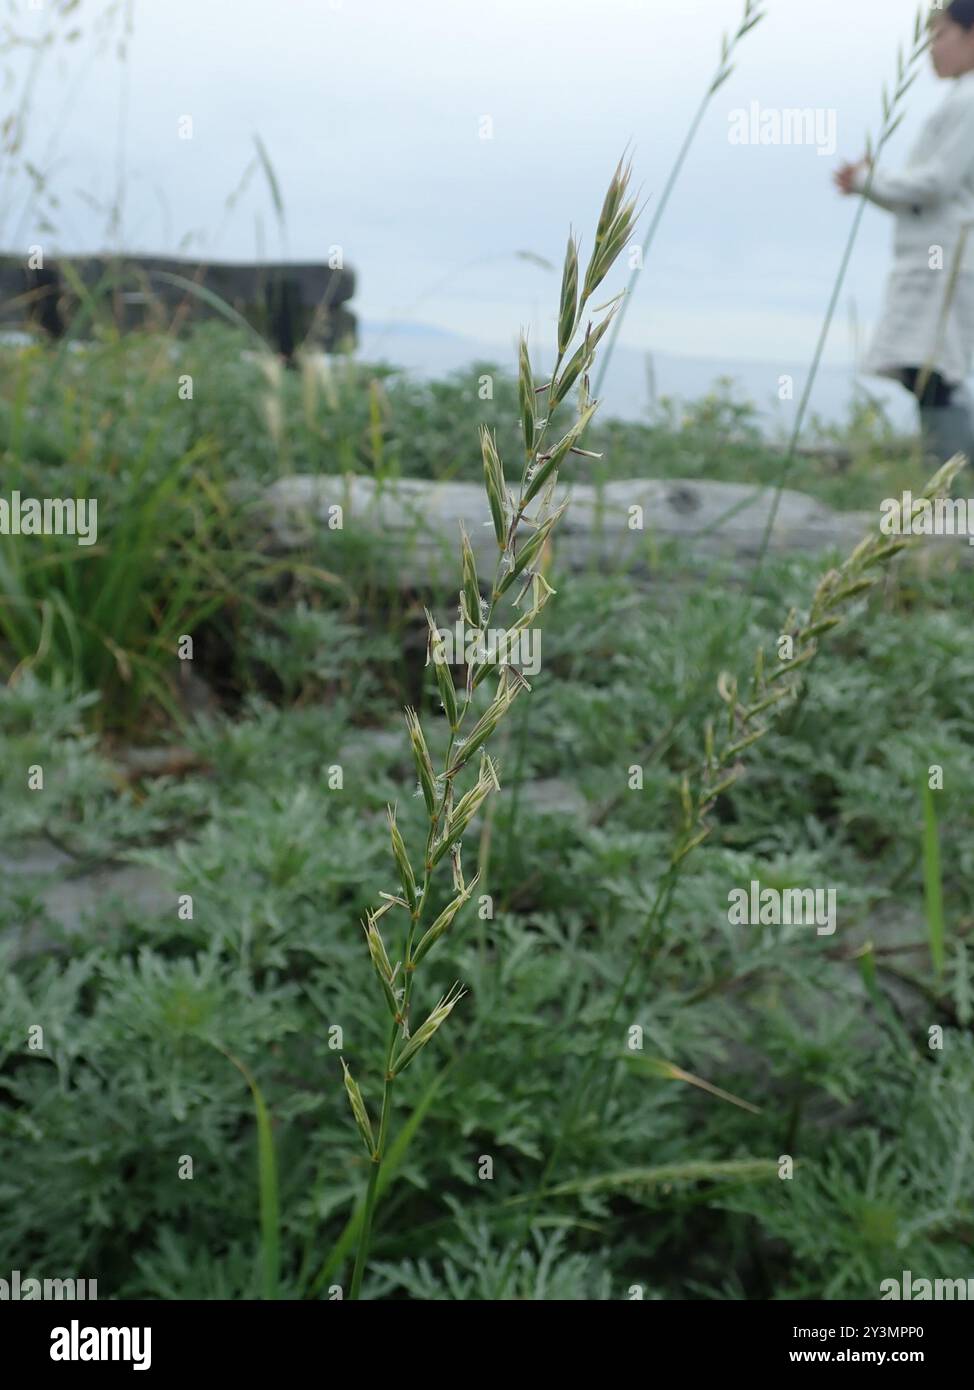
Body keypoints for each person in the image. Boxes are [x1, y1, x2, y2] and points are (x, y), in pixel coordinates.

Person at [835, 1, 974, 464]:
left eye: (939, 35)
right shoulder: (961, 98)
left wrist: (866, 180)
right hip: (937, 258)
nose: (931, 48)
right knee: (929, 373)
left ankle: (952, 495)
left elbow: (935, 184)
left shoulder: (969, 99)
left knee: (935, 374)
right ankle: (949, 492)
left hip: (943, 260)